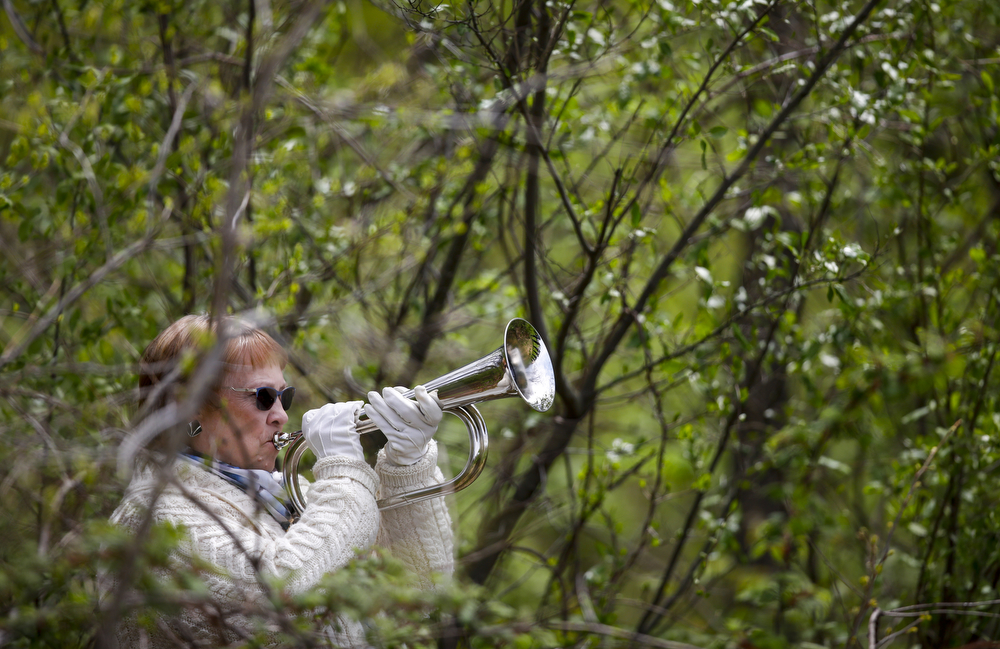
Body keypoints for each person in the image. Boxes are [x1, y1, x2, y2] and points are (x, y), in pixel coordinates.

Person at [107, 314, 454, 648]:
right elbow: (272, 610)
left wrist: (407, 466)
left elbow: (419, 597)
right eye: (262, 397)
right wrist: (345, 470)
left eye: (283, 396)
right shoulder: (150, 517)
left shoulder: (293, 495)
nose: (282, 416)